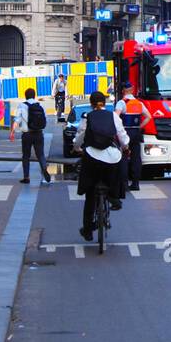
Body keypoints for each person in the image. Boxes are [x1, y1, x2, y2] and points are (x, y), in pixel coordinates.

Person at [73, 91, 129, 241]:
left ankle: (87, 230)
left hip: (92, 156)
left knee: (90, 194)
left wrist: (77, 147)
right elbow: (122, 136)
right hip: (111, 157)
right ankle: (114, 197)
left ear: (91, 103)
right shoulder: (113, 116)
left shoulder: (87, 116)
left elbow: (80, 135)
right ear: (104, 103)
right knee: (116, 172)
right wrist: (125, 147)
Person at [10, 88, 52, 185]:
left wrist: (12, 132)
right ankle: (44, 168)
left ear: (25, 96)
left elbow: (17, 120)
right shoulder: (40, 105)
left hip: (27, 134)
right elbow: (46, 119)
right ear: (34, 95)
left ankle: (26, 177)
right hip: (38, 133)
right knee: (40, 154)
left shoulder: (22, 105)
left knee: (26, 156)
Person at [115, 83, 146, 192]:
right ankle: (135, 183)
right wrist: (139, 127)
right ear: (132, 90)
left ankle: (124, 184)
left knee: (123, 157)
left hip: (125, 132)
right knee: (136, 158)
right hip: (136, 133)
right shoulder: (139, 103)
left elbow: (116, 117)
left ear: (123, 90)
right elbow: (148, 117)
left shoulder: (121, 103)